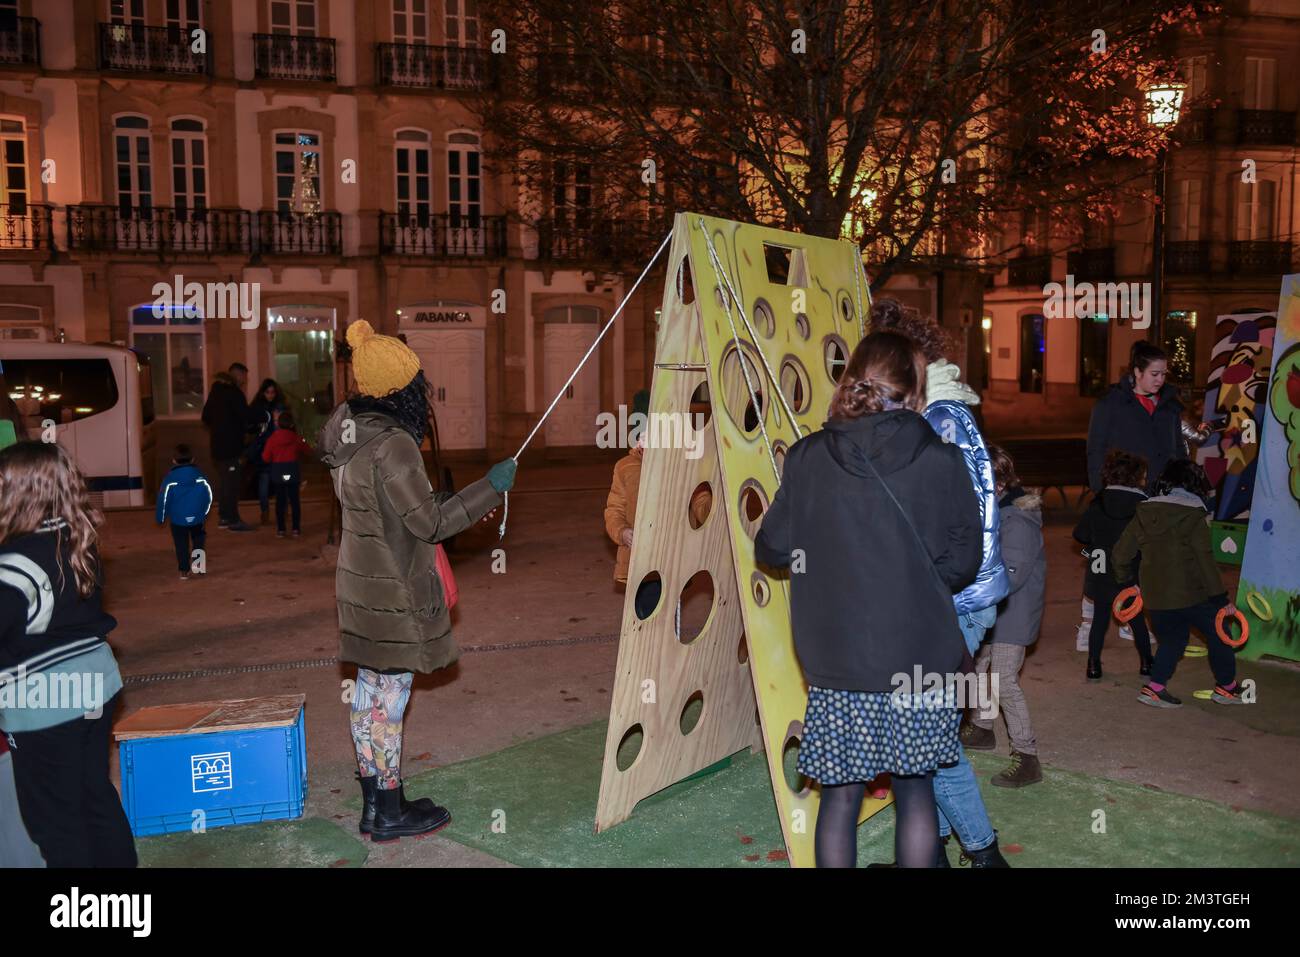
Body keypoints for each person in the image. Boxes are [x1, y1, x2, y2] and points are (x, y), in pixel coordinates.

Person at [755, 330, 982, 868]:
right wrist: (912, 580)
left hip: (839, 661)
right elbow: (963, 561)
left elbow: (772, 547)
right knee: (915, 792)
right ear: (914, 388)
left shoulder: (808, 457)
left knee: (841, 795)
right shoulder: (943, 460)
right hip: (919, 659)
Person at [318, 319, 517, 841]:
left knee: (368, 696)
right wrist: (490, 488)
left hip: (357, 585)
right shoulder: (394, 445)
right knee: (388, 703)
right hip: (393, 590)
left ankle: (377, 802)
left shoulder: (346, 428)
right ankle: (388, 813)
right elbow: (430, 522)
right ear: (400, 389)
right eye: (416, 383)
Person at [869, 299, 1011, 867]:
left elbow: (954, 523)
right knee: (926, 738)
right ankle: (941, 854)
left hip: (951, 601)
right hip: (955, 599)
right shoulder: (938, 414)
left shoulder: (940, 420)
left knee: (923, 742)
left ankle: (975, 855)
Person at [0, 441, 136, 867]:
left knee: (55, 821)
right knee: (94, 793)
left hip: (44, 699)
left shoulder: (11, 562)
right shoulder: (76, 538)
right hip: (96, 681)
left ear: (19, 491)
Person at [1078, 341, 1204, 649]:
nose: (1161, 380)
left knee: (1145, 562)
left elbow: (1177, 451)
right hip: (1119, 495)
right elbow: (1095, 448)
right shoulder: (1111, 404)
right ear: (1136, 372)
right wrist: (1101, 488)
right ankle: (1088, 623)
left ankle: (1130, 620)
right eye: (1154, 373)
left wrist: (1179, 488)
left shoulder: (1169, 406)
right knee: (1107, 562)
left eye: (1164, 373)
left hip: (1156, 497)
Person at [1113, 460, 1247, 708]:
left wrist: (1130, 584)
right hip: (1194, 595)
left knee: (1173, 640)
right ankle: (1227, 688)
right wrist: (1221, 600)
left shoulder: (1144, 512)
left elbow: (1121, 554)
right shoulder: (1194, 515)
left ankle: (1155, 688)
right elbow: (1205, 560)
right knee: (1221, 634)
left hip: (1156, 596)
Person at [963, 445, 1045, 787]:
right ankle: (983, 727)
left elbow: (1011, 574)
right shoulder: (996, 511)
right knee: (979, 668)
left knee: (1003, 680)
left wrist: (969, 591)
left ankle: (1027, 757)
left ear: (997, 483)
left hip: (1012, 612)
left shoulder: (1018, 519)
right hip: (991, 608)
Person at [1072, 449, 1152, 680]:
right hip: (1129, 573)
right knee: (1136, 618)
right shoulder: (1142, 505)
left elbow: (1080, 534)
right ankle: (1147, 662)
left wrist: (1097, 540)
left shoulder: (1098, 502)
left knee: (1099, 620)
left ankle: (1093, 665)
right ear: (1136, 477)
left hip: (1100, 572)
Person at [201, 362, 257, 532]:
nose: (244, 381)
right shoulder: (234, 394)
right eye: (244, 377)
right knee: (231, 484)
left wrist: (218, 429)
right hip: (230, 447)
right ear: (237, 375)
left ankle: (224, 518)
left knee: (226, 482)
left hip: (218, 447)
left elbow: (205, 417)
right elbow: (245, 416)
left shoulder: (215, 392)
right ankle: (232, 519)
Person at [155, 443, 213, 580]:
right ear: (193, 459)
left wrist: (160, 517)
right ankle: (199, 568)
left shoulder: (169, 479)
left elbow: (163, 500)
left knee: (181, 544)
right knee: (198, 542)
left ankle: (184, 570)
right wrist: (204, 513)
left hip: (178, 519)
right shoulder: (200, 476)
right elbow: (208, 496)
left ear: (173, 460)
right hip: (198, 518)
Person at [261, 411, 314, 538]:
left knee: (280, 501)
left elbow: (266, 458)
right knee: (294, 501)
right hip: (292, 471)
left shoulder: (272, 439)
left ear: (278, 424)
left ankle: (281, 529)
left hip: (278, 472)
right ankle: (296, 528)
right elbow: (308, 451)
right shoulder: (296, 438)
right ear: (291, 424)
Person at [248, 379, 286, 526]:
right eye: (267, 392)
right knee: (265, 481)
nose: (270, 395)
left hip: (275, 449)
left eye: (272, 392)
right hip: (264, 449)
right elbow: (251, 426)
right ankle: (265, 511)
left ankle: (279, 510)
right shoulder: (260, 407)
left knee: (278, 481)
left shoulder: (278, 407)